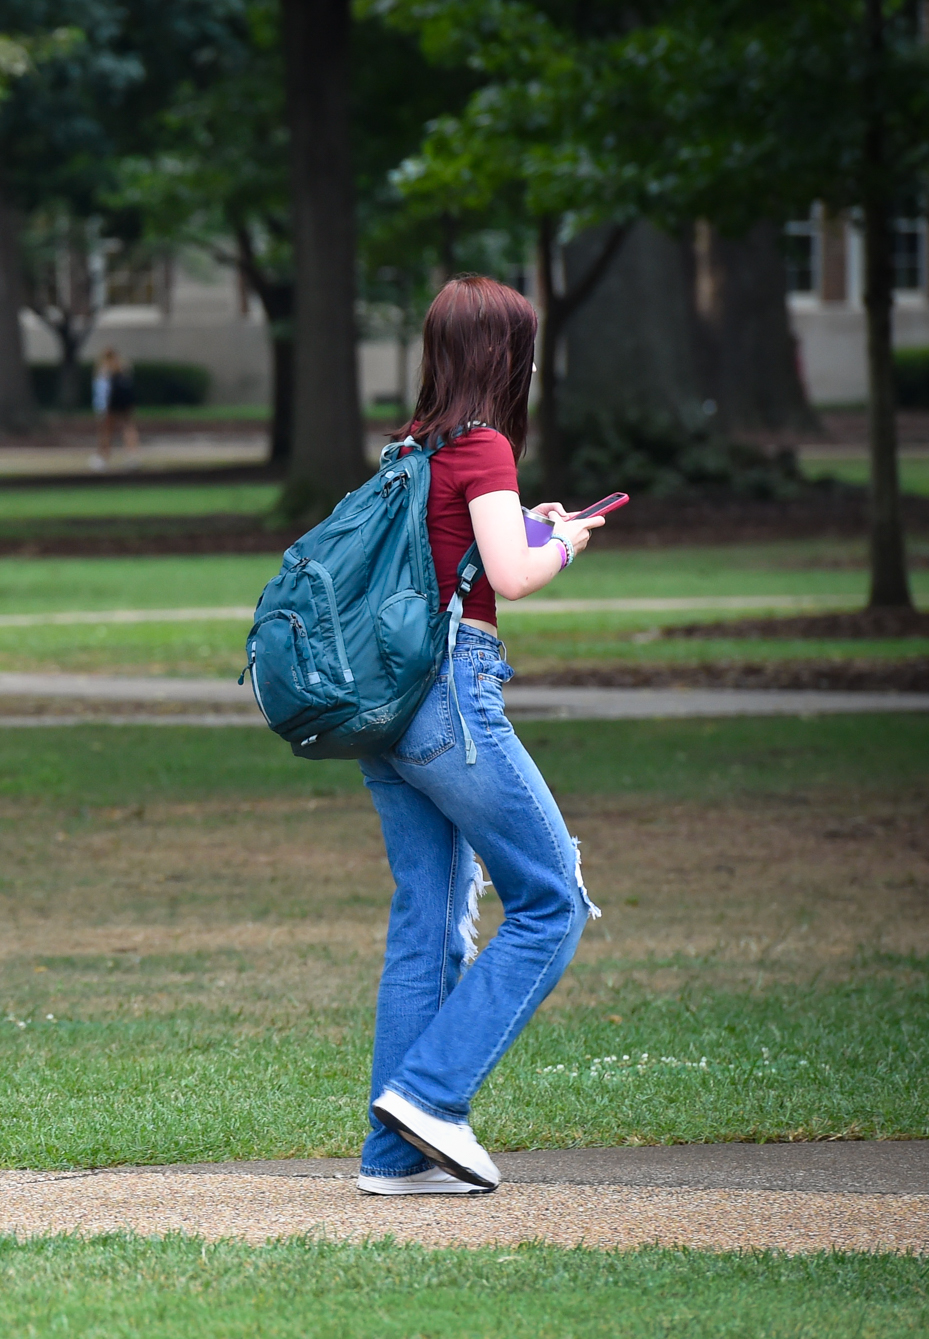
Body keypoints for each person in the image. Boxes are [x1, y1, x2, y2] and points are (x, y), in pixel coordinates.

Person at [355, 275, 605, 1197]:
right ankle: (431, 1094)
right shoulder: (486, 444)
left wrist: (531, 523)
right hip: (454, 699)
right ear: (507, 358)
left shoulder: (409, 449)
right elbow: (512, 572)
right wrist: (567, 541)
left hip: (386, 713)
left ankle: (394, 1160)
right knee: (552, 897)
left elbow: (462, 551)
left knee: (425, 919)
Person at [90, 347, 140, 471]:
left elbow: (101, 391)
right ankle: (132, 456)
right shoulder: (124, 367)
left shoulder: (104, 370)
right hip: (125, 403)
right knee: (128, 427)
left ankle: (103, 457)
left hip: (111, 403)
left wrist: (100, 408)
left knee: (106, 430)